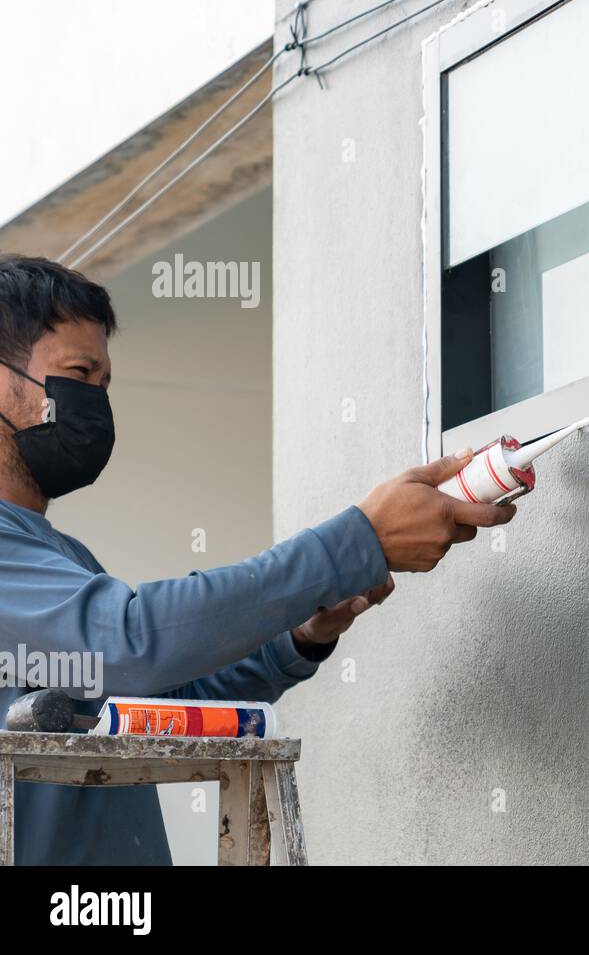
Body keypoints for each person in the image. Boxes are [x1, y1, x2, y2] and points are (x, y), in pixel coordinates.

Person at [0, 254, 513, 864]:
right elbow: (133, 640)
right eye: (78, 374)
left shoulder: (58, 553)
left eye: (104, 385)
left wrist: (294, 636)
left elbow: (156, 700)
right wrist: (357, 540)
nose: (96, 404)